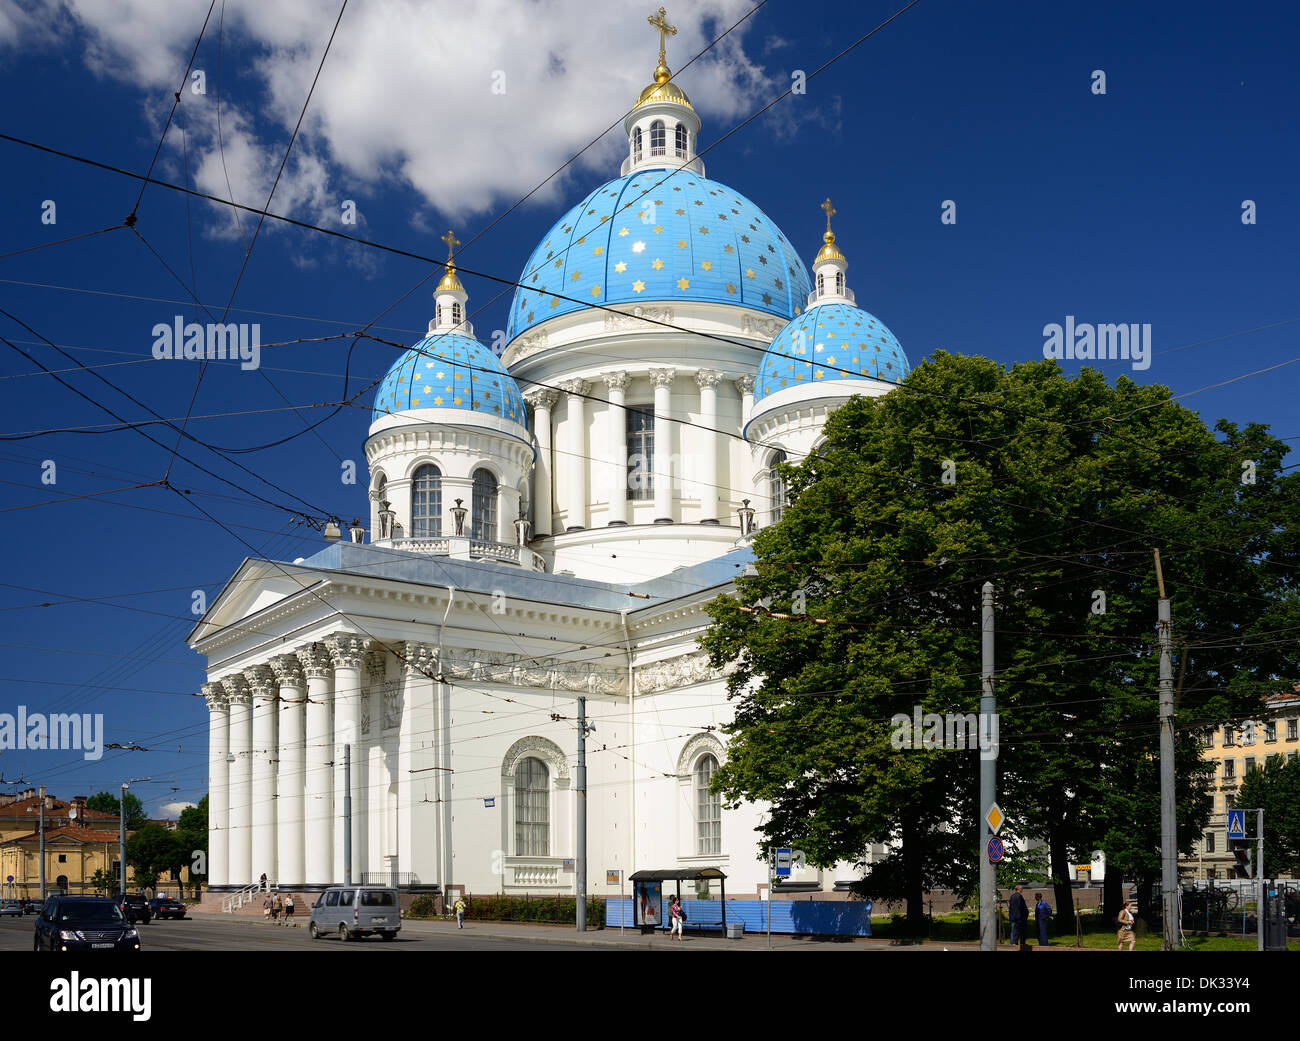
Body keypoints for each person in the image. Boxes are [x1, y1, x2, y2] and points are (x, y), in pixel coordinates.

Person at [1008, 884, 1029, 950]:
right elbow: (1021, 906)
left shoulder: (1012, 896)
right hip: (1021, 916)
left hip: (1015, 915)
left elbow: (1011, 907)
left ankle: (1014, 942)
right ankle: (1022, 943)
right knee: (1023, 930)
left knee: (1016, 930)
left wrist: (1014, 914)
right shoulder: (1019, 896)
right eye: (1021, 888)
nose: (1022, 889)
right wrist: (1025, 913)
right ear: (1019, 889)